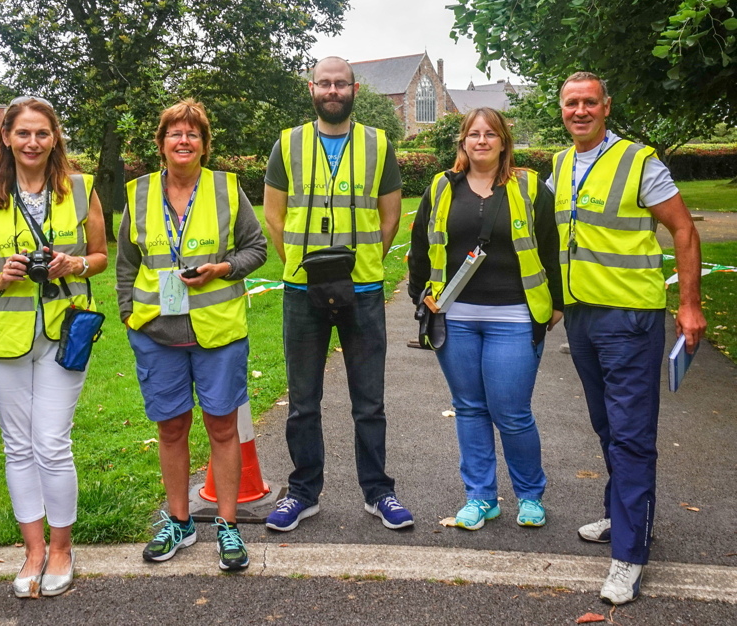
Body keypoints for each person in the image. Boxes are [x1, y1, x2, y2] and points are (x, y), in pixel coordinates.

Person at [551, 72, 706, 604]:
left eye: (589, 102)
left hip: (631, 318)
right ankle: (626, 518)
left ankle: (629, 555)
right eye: (571, 103)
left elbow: (684, 229)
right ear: (562, 109)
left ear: (606, 107)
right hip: (581, 315)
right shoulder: (562, 162)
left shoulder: (640, 161)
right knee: (606, 426)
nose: (580, 111)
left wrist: (689, 305)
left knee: (632, 434)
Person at [0, 96, 107, 598]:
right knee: (18, 446)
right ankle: (33, 551)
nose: (32, 142)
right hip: (4, 336)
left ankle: (62, 548)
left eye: (42, 133)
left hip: (64, 333)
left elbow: (101, 257)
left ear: (55, 138)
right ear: (5, 136)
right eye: (23, 133)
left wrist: (74, 265)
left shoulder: (81, 188)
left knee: (51, 441)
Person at [116, 99, 267, 572]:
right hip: (156, 334)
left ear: (204, 144)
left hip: (217, 333)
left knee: (222, 428)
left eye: (193, 134)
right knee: (171, 428)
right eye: (174, 134)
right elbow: (125, 264)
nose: (184, 141)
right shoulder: (138, 193)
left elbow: (257, 248)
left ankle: (227, 526)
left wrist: (224, 268)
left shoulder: (226, 189)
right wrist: (127, 312)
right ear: (160, 144)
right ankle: (179, 521)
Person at [262, 56, 411, 532]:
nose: (332, 90)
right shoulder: (287, 144)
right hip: (302, 290)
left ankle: (378, 492)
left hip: (363, 289)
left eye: (340, 83)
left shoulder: (377, 143)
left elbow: (390, 218)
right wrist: (306, 265)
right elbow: (274, 217)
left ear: (355, 88)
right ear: (311, 88)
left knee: (369, 402)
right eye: (324, 83)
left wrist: (362, 264)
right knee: (303, 400)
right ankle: (303, 493)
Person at [408, 108, 562, 531]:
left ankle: (530, 495)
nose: (481, 141)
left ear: (503, 141)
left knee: (511, 412)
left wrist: (558, 303)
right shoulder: (441, 187)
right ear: (462, 142)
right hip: (454, 317)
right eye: (473, 134)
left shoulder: (529, 186)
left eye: (490, 134)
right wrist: (419, 294)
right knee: (470, 408)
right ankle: (480, 497)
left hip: (514, 315)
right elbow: (421, 246)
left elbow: (550, 246)